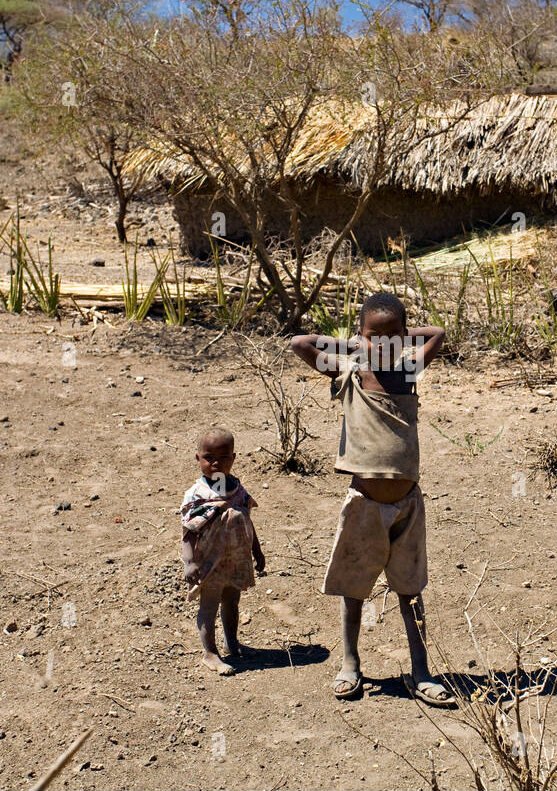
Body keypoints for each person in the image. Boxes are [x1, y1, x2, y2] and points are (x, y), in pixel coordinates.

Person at [290, 292, 453, 707]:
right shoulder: (350, 371)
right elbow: (299, 343)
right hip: (363, 502)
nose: (381, 344)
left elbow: (438, 332)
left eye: (392, 336)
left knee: (410, 591)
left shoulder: (408, 369)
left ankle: (420, 671)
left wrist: (398, 339)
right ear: (358, 335)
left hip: (407, 505)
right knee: (354, 588)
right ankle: (349, 664)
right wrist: (356, 345)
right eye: (371, 335)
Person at [179, 426, 264, 676]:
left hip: (236, 558)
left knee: (232, 602)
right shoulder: (197, 494)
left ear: (234, 458)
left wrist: (257, 551)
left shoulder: (237, 488)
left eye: (224, 457)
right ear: (198, 459)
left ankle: (232, 643)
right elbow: (188, 531)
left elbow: (247, 519)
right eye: (209, 457)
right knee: (209, 605)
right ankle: (210, 653)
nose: (216, 463)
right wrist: (189, 562)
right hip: (210, 561)